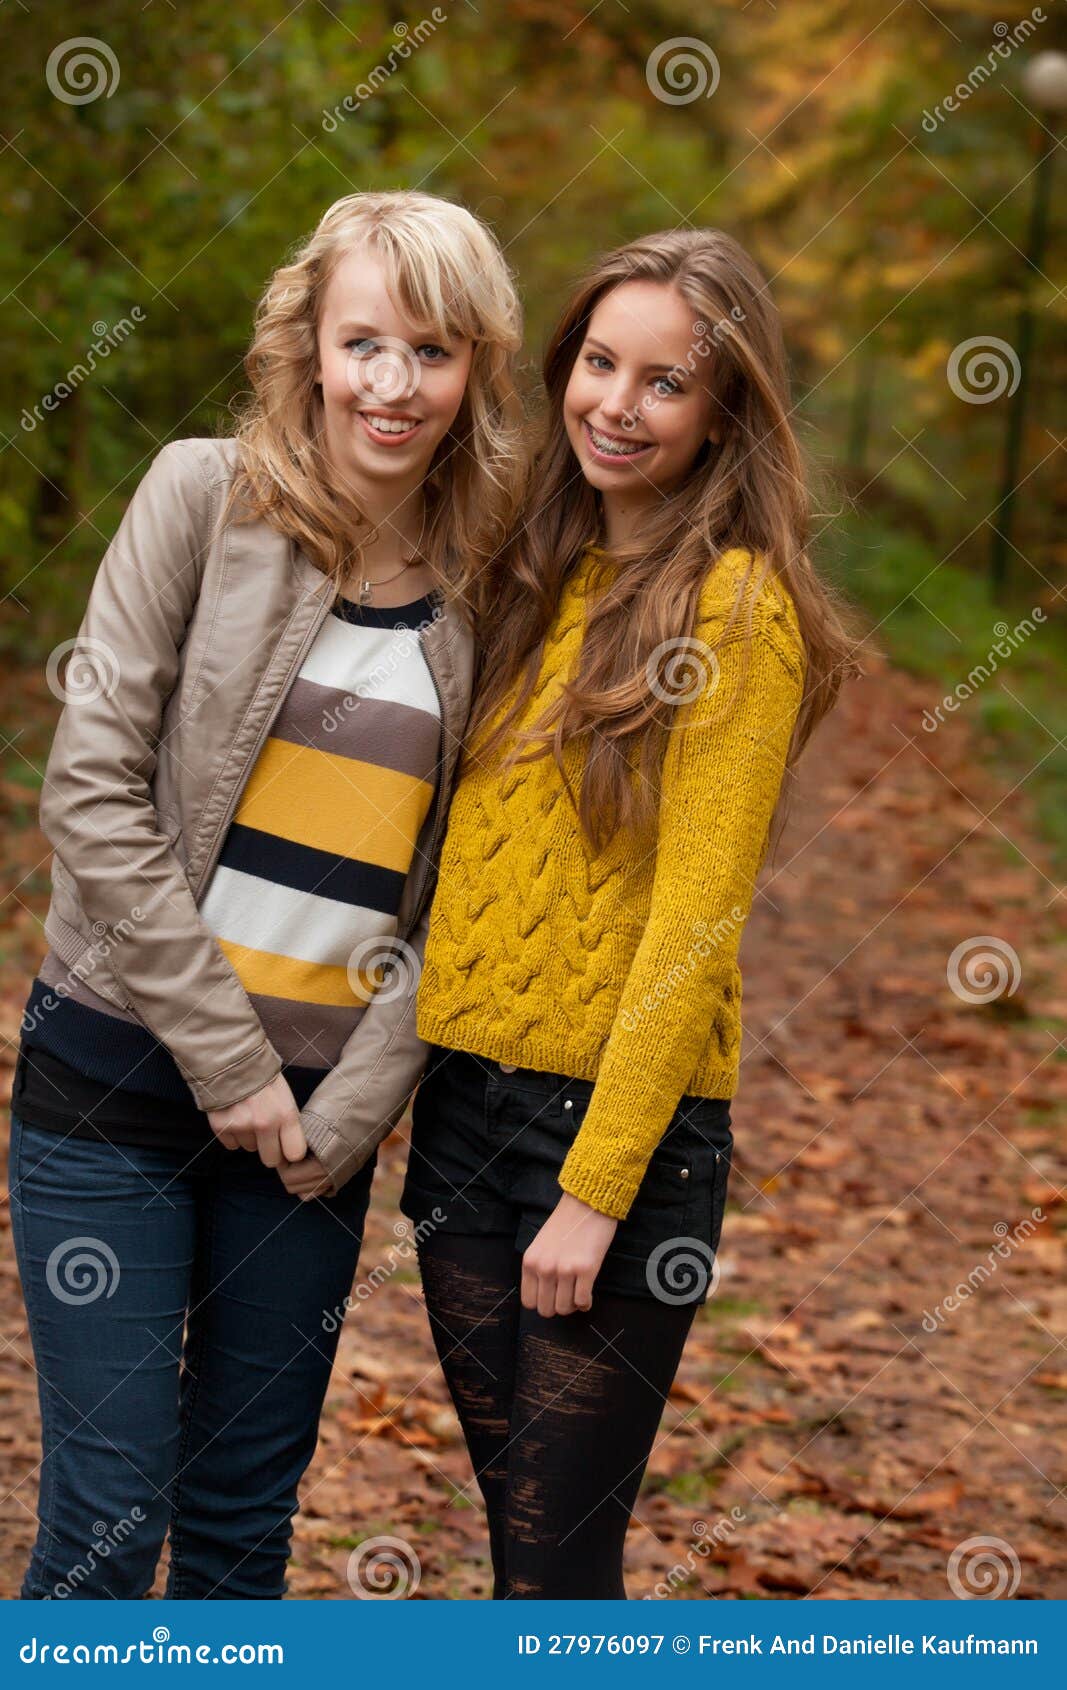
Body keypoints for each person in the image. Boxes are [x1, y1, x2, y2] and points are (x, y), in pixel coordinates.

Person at [8, 189, 523, 1599]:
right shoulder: (199, 493)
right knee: (109, 1523)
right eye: (365, 341)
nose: (393, 384)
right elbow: (91, 798)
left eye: (433, 350)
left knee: (242, 1535)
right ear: (307, 339)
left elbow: (469, 892)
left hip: (309, 1142)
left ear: (476, 367)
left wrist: (351, 1109)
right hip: (111, 1090)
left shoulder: (491, 581)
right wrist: (233, 1064)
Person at [400, 227, 861, 1598]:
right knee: (523, 1547)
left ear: (726, 413)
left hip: (615, 1143)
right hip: (465, 1118)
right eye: (600, 362)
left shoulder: (738, 611)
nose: (616, 402)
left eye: (666, 382)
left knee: (556, 1563)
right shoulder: (530, 574)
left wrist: (596, 1193)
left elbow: (695, 923)